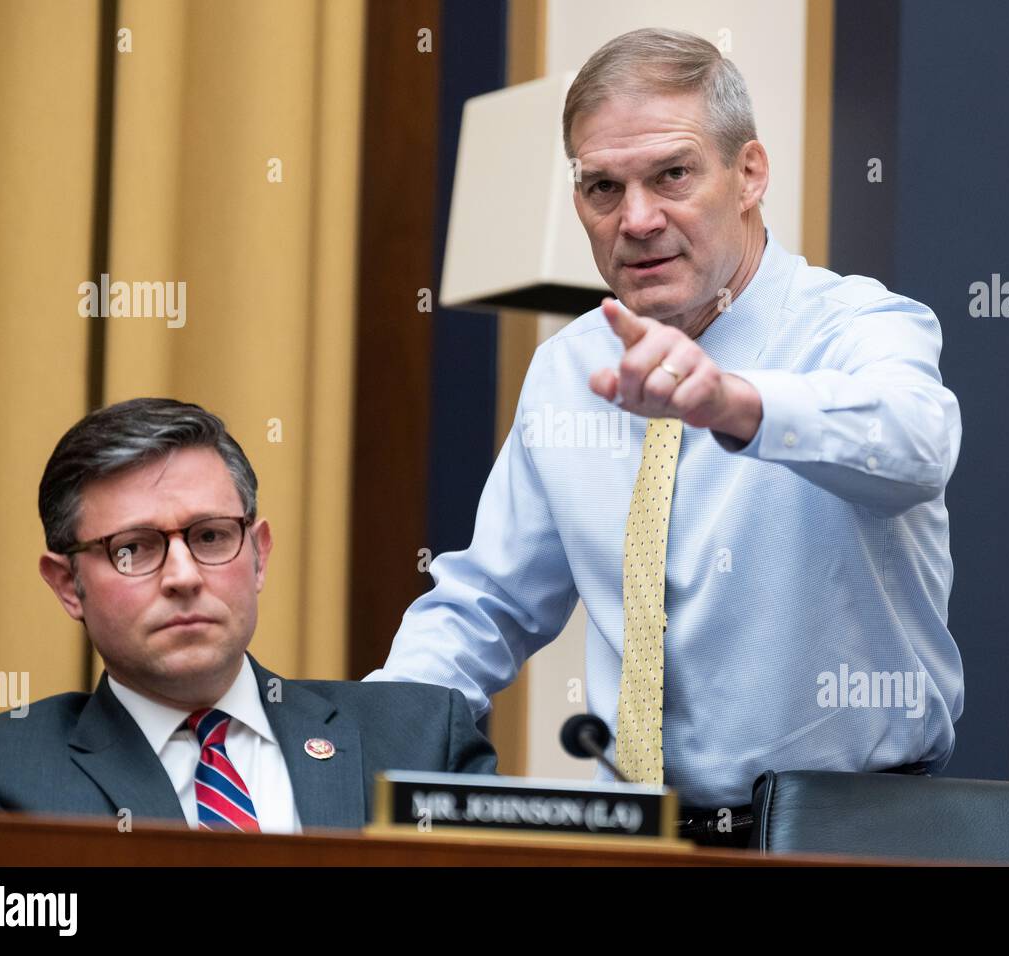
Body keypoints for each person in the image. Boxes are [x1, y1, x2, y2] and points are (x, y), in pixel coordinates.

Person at [369, 27, 963, 847]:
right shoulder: (568, 369)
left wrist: (736, 403)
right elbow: (489, 606)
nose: (637, 219)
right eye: (602, 188)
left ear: (749, 173)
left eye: (672, 175)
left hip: (854, 832)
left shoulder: (857, 324)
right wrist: (367, 739)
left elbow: (917, 444)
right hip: (642, 834)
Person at [0, 398, 495, 832]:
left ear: (259, 555)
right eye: (134, 548)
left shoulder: (419, 739)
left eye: (211, 536)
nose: (183, 576)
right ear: (67, 585)